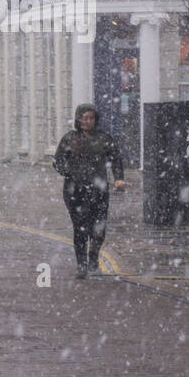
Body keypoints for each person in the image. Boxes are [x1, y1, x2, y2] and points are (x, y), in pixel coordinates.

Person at [53, 102, 125, 279]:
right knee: (80, 227)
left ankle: (94, 258)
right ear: (78, 119)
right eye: (84, 118)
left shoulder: (104, 138)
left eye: (91, 118)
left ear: (96, 120)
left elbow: (116, 158)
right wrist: (70, 172)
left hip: (98, 189)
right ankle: (81, 265)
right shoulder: (70, 138)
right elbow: (58, 162)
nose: (87, 121)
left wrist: (118, 178)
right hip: (75, 191)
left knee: (99, 228)